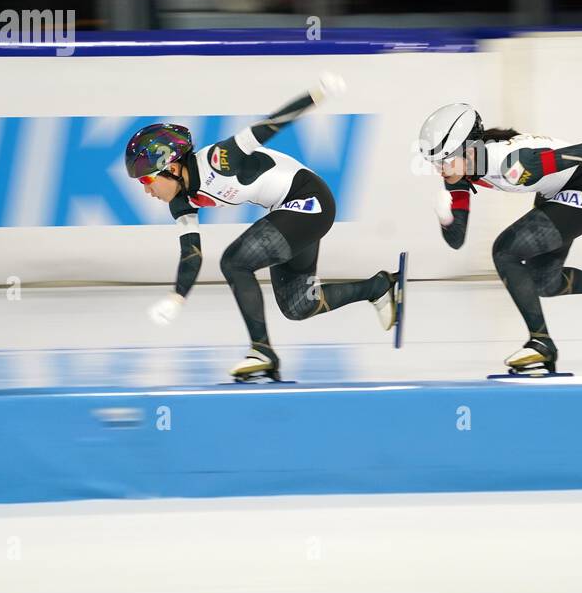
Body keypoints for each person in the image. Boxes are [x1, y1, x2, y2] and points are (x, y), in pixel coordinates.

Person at [127, 73, 402, 382]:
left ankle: (262, 351)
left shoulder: (220, 160)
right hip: (289, 211)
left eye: (148, 179)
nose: (146, 190)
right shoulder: (179, 201)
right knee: (299, 304)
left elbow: (272, 124)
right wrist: (176, 297)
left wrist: (318, 93)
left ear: (173, 168)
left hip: (308, 200)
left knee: (234, 261)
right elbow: (191, 253)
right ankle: (379, 287)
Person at [419, 102, 582, 374]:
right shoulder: (459, 171)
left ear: (468, 148)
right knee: (544, 282)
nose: (440, 169)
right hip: (553, 194)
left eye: (444, 160)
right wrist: (445, 218)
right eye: (434, 162)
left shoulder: (509, 161)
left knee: (504, 250)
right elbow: (456, 240)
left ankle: (541, 344)